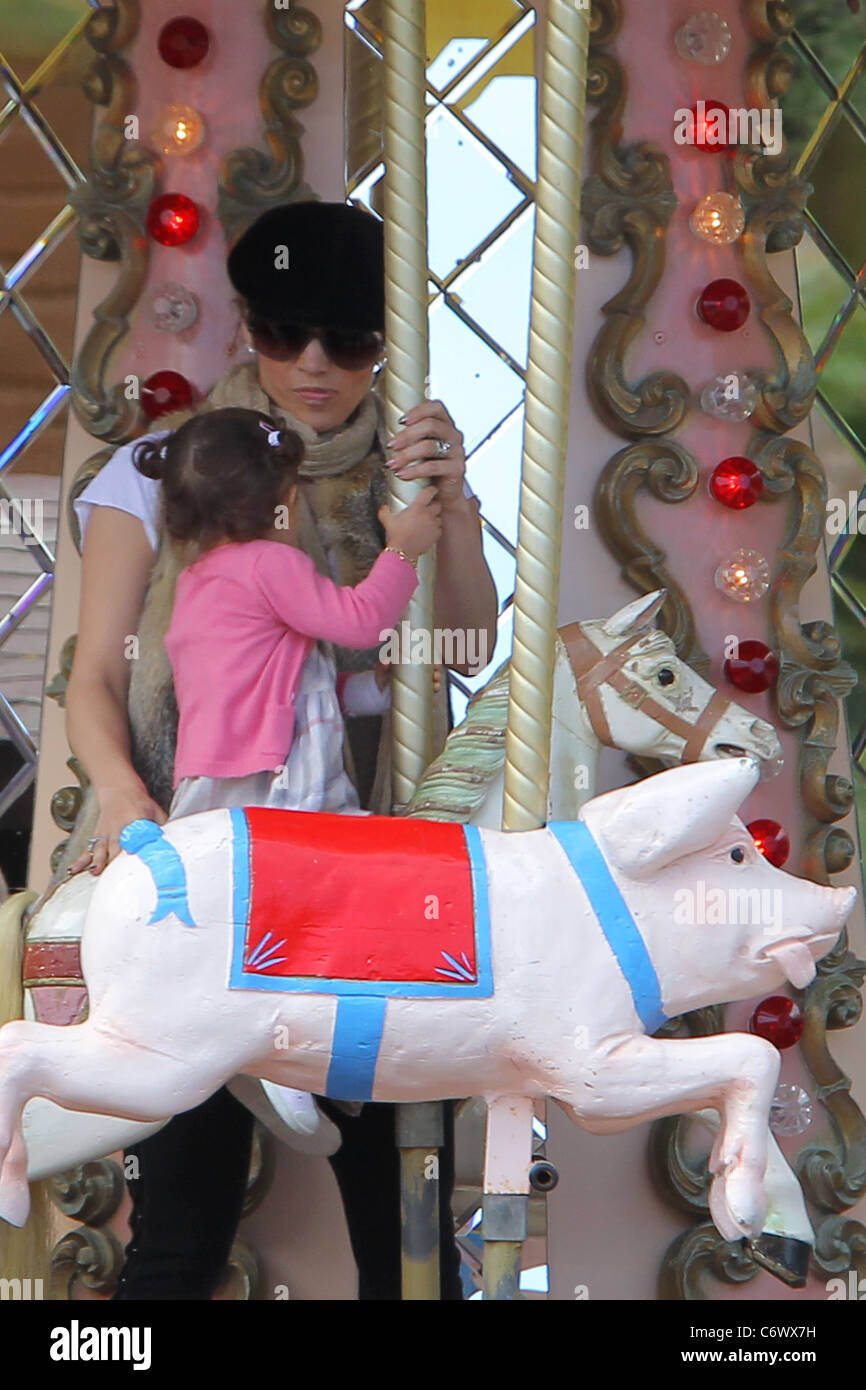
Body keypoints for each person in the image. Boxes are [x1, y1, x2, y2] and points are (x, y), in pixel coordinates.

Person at [63, 200, 497, 1300]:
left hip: (375, 888)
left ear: (384, 343)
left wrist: (448, 516)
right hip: (203, 877)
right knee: (177, 1238)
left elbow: (468, 640)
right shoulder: (159, 472)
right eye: (285, 335)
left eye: (347, 341)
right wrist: (122, 797)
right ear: (245, 323)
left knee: (408, 1244)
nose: (314, 365)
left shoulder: (412, 479)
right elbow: (98, 678)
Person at [134, 404, 440, 1137]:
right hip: (276, 782)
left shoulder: (202, 581)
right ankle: (289, 1054)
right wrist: (404, 551)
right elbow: (362, 622)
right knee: (329, 902)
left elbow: (301, 689)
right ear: (286, 500)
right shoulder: (271, 564)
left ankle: (276, 1043)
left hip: (226, 775)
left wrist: (379, 689)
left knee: (268, 921)